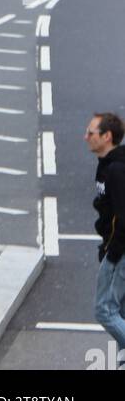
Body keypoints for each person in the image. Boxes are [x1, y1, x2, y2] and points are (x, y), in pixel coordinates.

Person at [86, 111, 125, 361]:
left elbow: (123, 216)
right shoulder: (106, 166)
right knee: (119, 309)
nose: (85, 137)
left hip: (118, 251)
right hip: (112, 247)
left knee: (105, 310)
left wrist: (111, 253)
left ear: (107, 136)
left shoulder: (117, 170)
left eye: (91, 133)